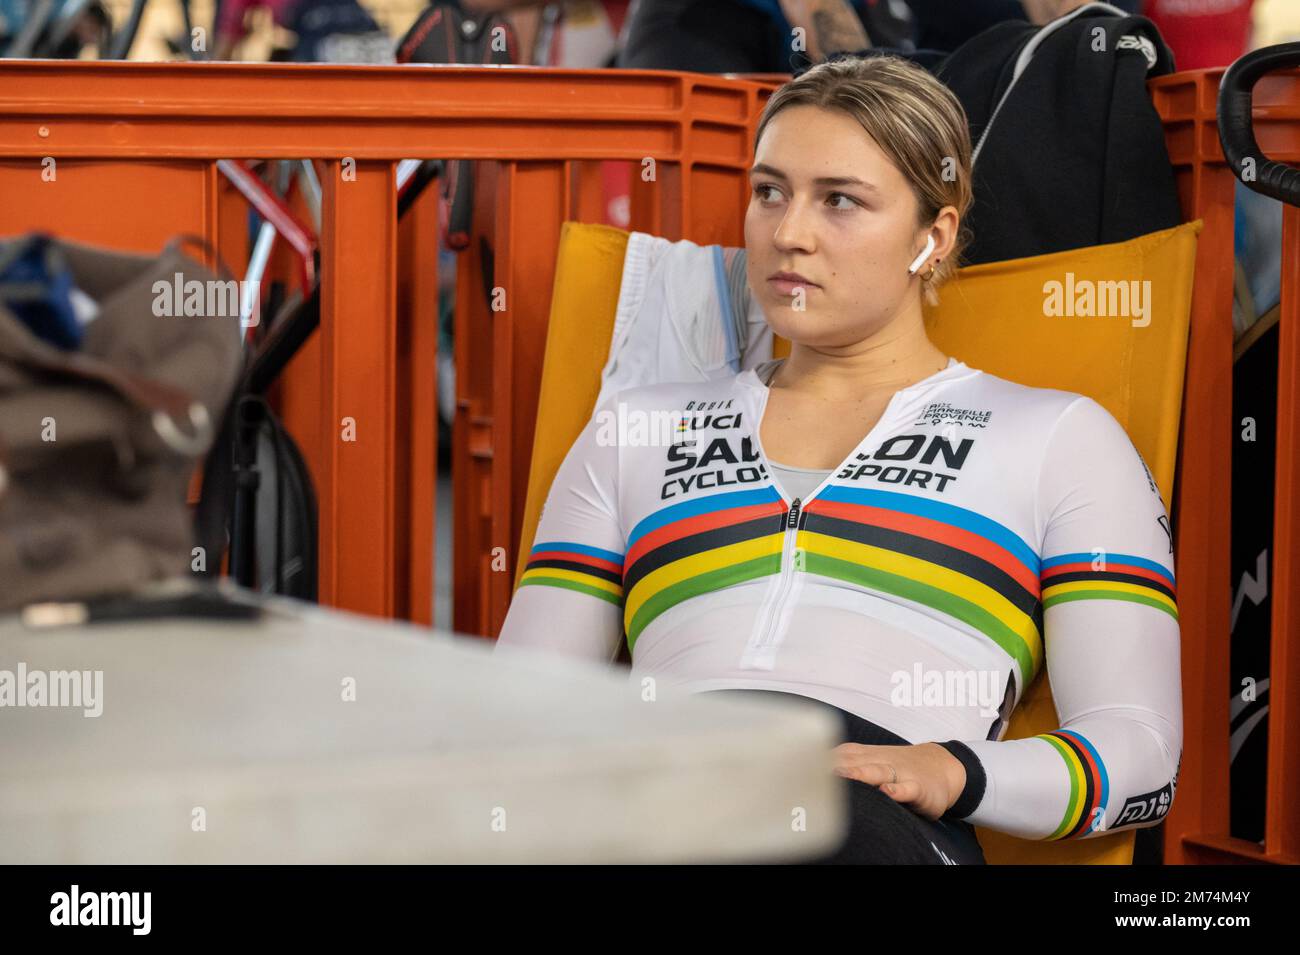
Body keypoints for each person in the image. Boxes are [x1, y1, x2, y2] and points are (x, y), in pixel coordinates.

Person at [495, 55, 1182, 864]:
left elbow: (1141, 756)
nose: (789, 232)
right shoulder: (638, 427)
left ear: (933, 237)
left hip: (867, 816)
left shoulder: (1058, 435)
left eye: (841, 201)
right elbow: (518, 713)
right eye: (769, 191)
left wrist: (957, 773)